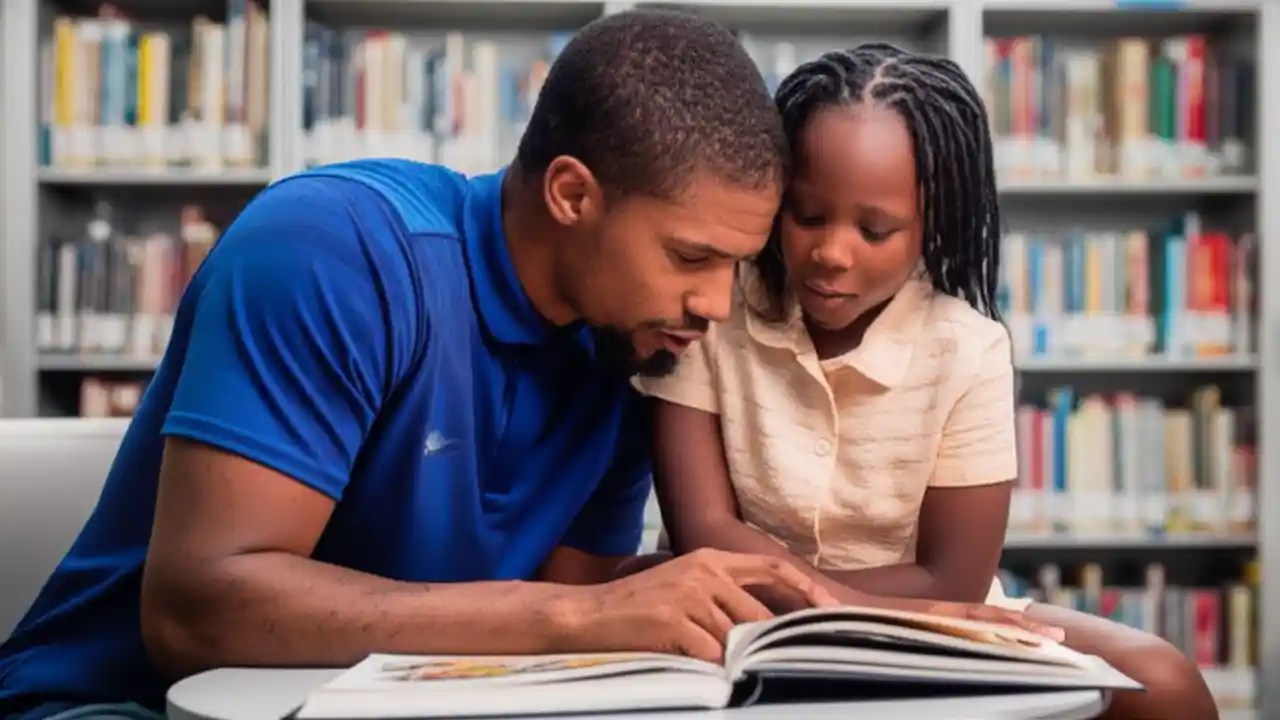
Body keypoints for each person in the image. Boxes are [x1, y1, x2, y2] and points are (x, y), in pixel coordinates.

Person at [0, 11, 833, 719]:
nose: (716, 306)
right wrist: (582, 615)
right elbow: (195, 615)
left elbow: (569, 619)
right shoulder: (331, 251)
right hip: (120, 703)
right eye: (691, 257)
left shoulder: (632, 346)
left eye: (735, 266)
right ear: (572, 195)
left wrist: (689, 602)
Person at [634, 43, 1220, 720]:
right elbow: (702, 526)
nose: (831, 252)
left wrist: (820, 600)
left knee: (1166, 683)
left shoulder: (968, 348)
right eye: (807, 215)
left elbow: (954, 579)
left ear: (931, 224)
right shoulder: (715, 304)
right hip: (732, 610)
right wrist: (833, 603)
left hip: (929, 624)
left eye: (875, 229)